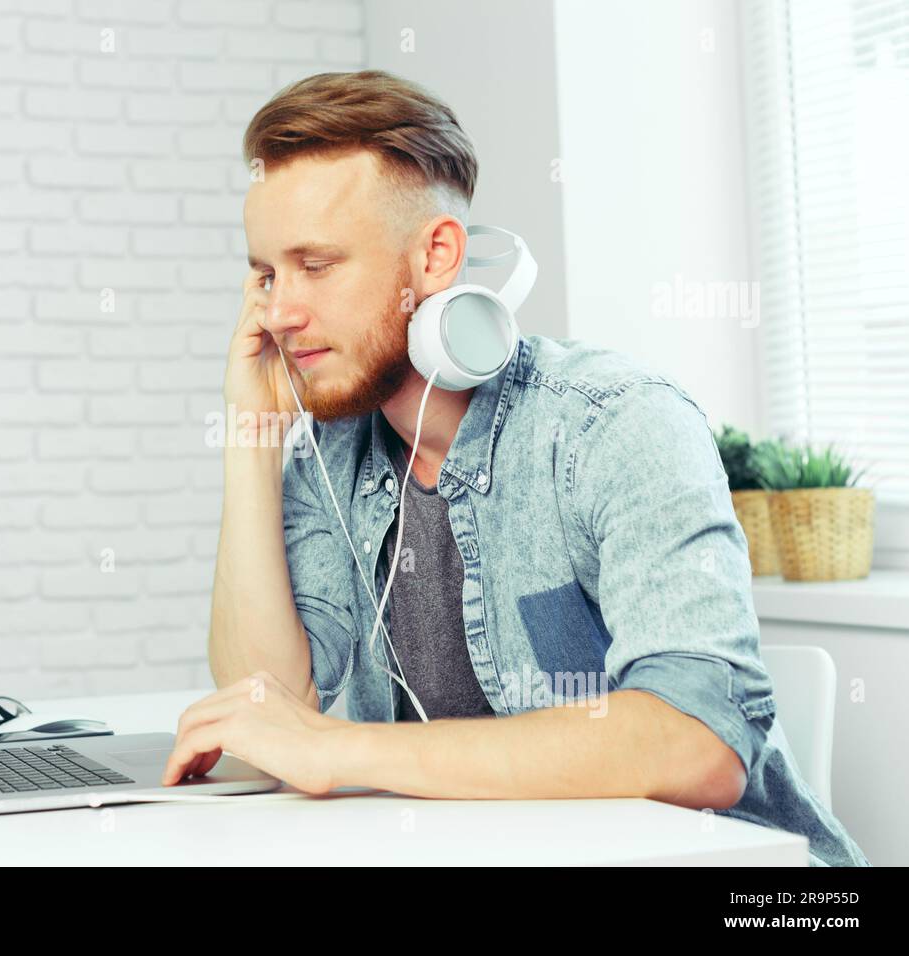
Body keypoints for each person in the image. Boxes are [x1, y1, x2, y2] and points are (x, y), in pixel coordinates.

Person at [163, 69, 869, 867]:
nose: (280, 313)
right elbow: (272, 722)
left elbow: (696, 741)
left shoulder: (615, 424)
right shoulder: (331, 460)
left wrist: (346, 751)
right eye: (265, 274)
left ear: (435, 257)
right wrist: (252, 436)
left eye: (315, 265)